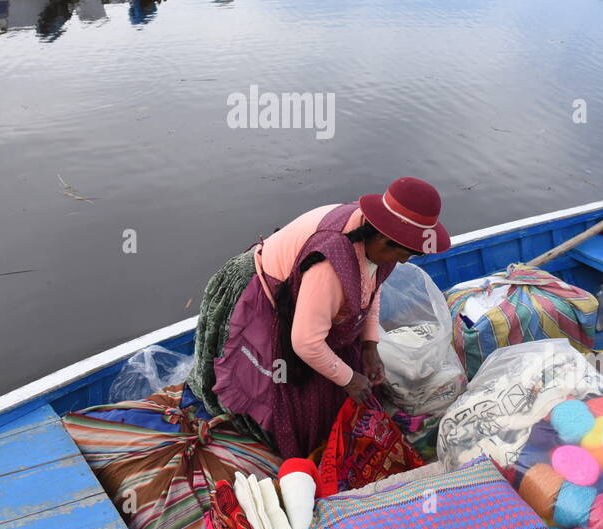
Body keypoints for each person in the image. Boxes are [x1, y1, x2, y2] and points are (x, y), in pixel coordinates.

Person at [186, 177, 450, 459]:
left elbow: (372, 289)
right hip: (266, 291)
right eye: (403, 253)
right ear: (385, 240)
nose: (404, 262)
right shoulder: (330, 263)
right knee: (289, 396)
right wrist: (349, 378)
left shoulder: (371, 240)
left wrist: (370, 345)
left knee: (336, 376)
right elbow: (305, 342)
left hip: (308, 298)